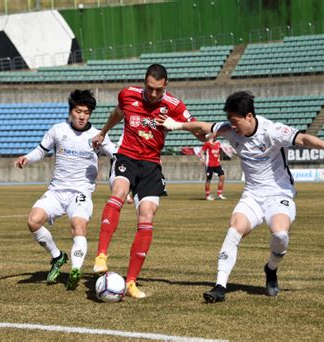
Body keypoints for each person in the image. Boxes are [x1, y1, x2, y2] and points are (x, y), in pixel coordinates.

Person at [159, 91, 324, 302]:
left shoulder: (272, 130)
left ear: (249, 116)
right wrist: (175, 125)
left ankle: (271, 269)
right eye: (230, 121)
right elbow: (203, 126)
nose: (232, 126)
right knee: (235, 229)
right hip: (252, 194)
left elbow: (303, 138)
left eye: (236, 121)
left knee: (280, 235)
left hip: (278, 193)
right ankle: (220, 286)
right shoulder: (230, 129)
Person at [91, 63, 206, 298]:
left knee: (147, 214)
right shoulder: (128, 94)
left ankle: (131, 282)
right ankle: (101, 254)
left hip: (152, 165)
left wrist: (182, 126)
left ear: (166, 86)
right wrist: (103, 132)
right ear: (145, 82)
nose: (154, 94)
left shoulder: (173, 105)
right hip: (127, 157)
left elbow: (198, 129)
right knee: (120, 192)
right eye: (150, 88)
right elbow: (117, 113)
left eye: (159, 90)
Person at [14, 89, 115, 290]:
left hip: (80, 193)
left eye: (86, 112)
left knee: (78, 225)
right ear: (71, 111)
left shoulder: (98, 135)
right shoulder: (58, 130)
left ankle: (76, 270)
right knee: (33, 221)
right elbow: (40, 151)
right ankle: (58, 257)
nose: (82, 116)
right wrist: (27, 157)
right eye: (78, 111)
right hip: (56, 190)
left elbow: (116, 154)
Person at [199, 133, 226, 200]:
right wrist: (202, 159)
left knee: (222, 177)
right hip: (210, 164)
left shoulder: (218, 143)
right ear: (210, 137)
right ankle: (207, 196)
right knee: (208, 179)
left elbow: (219, 152)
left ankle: (220, 194)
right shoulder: (207, 144)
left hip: (217, 164)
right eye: (213, 136)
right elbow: (201, 152)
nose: (215, 136)